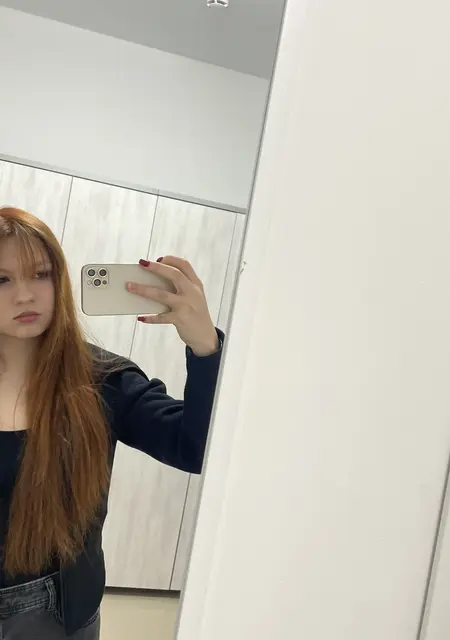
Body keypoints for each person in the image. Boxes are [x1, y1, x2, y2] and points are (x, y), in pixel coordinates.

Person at [0, 206, 224, 639]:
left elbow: (197, 449)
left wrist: (204, 345)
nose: (25, 295)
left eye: (40, 274)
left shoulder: (104, 381)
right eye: (2, 279)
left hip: (56, 613)